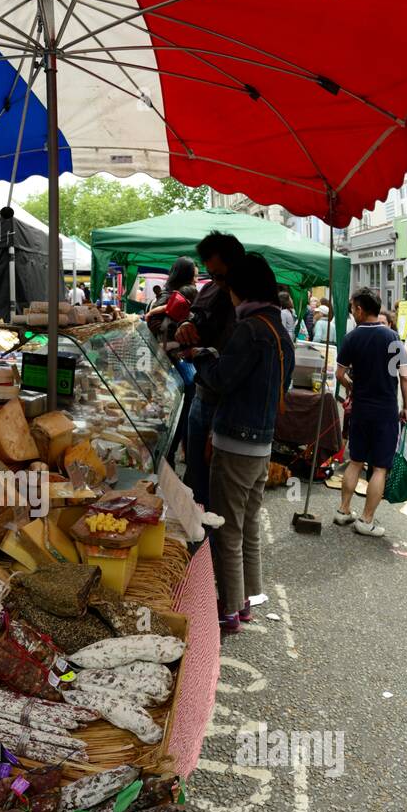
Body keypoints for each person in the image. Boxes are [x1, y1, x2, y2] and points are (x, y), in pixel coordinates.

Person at [189, 253, 294, 634]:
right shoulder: (279, 326)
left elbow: (222, 379)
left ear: (241, 288)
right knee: (247, 526)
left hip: (236, 442)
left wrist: (200, 357)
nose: (227, 294)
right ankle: (247, 600)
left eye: (229, 286)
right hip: (262, 443)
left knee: (228, 530)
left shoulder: (250, 328)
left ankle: (228, 610)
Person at [175, 230, 246, 507]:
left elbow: (237, 369)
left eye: (220, 274)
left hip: (229, 405)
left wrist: (217, 431)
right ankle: (198, 544)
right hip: (202, 396)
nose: (215, 280)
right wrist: (185, 326)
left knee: (220, 492)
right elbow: (194, 319)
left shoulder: (252, 302)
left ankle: (213, 546)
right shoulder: (211, 289)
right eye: (210, 274)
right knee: (195, 479)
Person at [333, 287, 407, 537]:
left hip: (361, 409)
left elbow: (340, 374)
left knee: (355, 461)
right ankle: (366, 520)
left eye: (353, 307)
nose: (352, 312)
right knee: (379, 467)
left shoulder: (352, 337)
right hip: (386, 409)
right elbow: (405, 377)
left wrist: (353, 389)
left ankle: (343, 511)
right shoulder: (392, 338)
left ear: (361, 309)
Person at [145, 256, 197, 342]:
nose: (196, 280)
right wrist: (176, 331)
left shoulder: (182, 294)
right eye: (194, 276)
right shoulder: (168, 296)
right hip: (165, 351)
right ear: (184, 276)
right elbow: (153, 323)